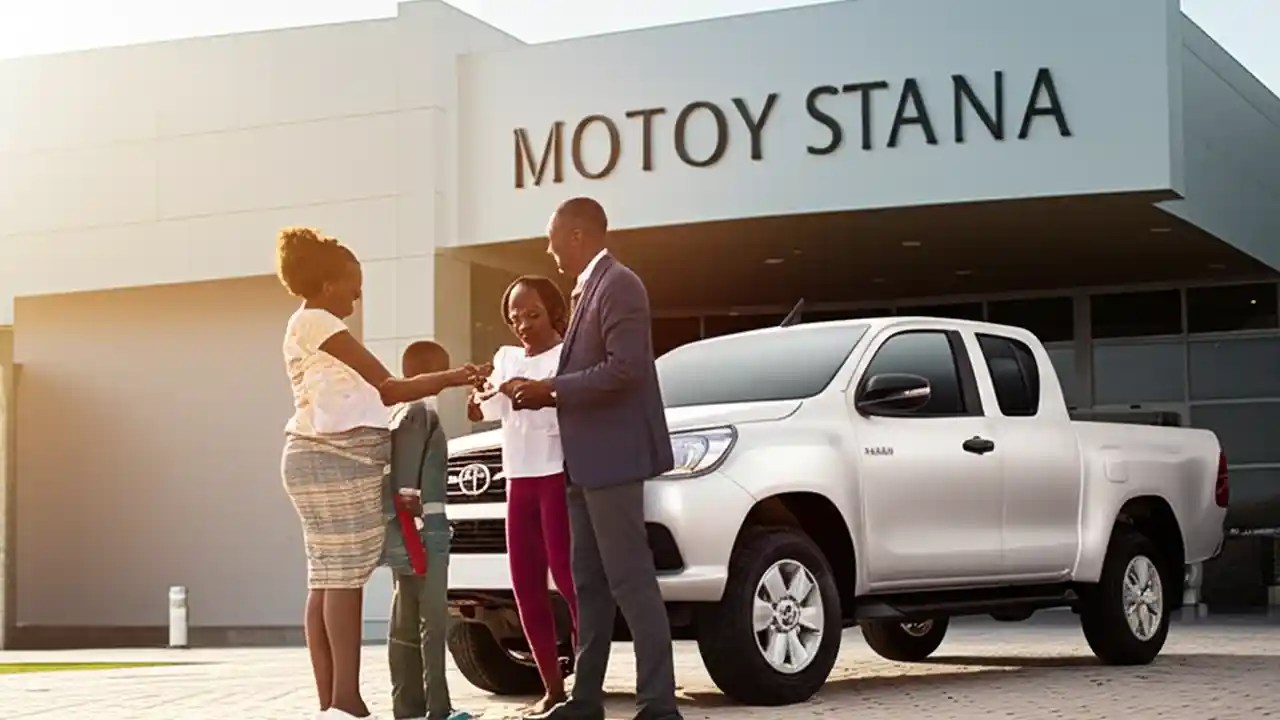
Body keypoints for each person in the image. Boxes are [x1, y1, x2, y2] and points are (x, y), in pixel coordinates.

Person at [275, 227, 482, 720]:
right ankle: (345, 697)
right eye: (352, 283)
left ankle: (332, 702)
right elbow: (390, 389)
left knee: (327, 579)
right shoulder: (319, 321)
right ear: (327, 285)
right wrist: (453, 377)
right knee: (341, 579)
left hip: (321, 458)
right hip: (334, 461)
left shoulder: (310, 324)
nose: (358, 293)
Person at [507, 198, 680, 720]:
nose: (549, 248)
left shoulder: (620, 284)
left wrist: (550, 390)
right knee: (587, 584)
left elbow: (625, 369)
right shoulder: (589, 287)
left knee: (631, 579)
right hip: (584, 464)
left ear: (577, 234)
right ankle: (585, 701)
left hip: (613, 461)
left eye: (552, 237)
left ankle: (658, 705)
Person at [466, 276, 579, 715]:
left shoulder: (567, 355)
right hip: (518, 480)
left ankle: (587, 680)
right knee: (525, 587)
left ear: (552, 312)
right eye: (515, 317)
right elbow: (487, 407)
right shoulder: (506, 357)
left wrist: (535, 393)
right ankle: (552, 688)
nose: (523, 324)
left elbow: (575, 402)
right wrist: (477, 401)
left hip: (557, 476)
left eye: (532, 315)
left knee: (571, 584)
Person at [384, 341, 477, 720]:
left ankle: (408, 707)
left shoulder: (401, 416)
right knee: (431, 622)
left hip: (413, 532)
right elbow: (409, 490)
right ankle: (437, 708)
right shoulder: (421, 415)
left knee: (406, 619)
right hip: (424, 534)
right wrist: (422, 527)